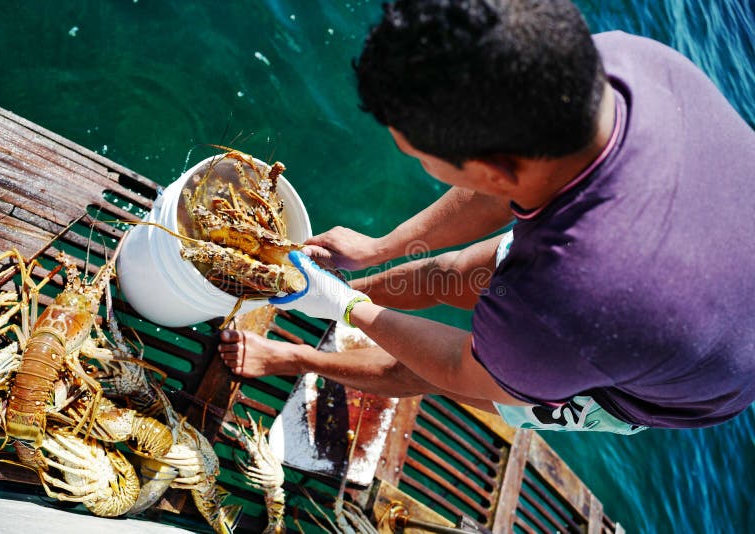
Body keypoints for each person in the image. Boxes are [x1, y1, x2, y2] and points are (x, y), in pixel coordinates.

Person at [219, 0, 755, 433]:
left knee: (433, 372)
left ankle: (294, 357)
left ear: (497, 168)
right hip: (656, 269)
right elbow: (498, 191)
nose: (426, 167)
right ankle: (329, 307)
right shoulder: (622, 63)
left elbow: (461, 368)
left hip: (672, 373)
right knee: (451, 273)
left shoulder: (563, 308)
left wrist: (346, 304)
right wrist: (380, 246)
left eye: (422, 158)